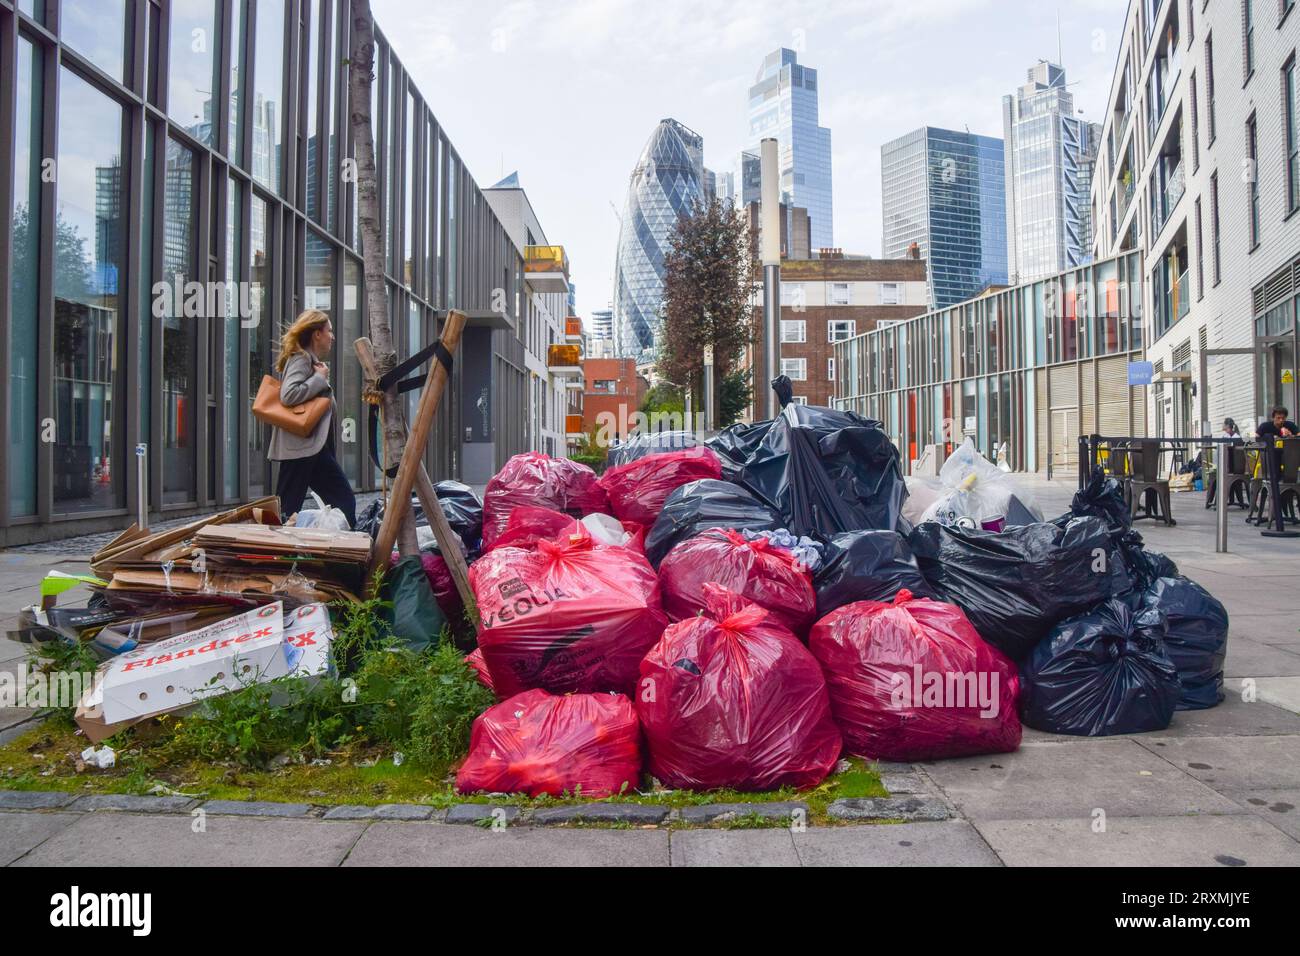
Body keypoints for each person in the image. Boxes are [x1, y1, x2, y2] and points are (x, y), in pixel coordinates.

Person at [267, 309, 357, 528]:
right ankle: (277, 551)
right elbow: (289, 394)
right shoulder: (302, 358)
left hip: (311, 449)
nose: (332, 337)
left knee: (339, 500)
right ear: (317, 334)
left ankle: (341, 549)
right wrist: (319, 378)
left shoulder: (311, 361)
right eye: (330, 331)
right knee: (290, 507)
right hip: (301, 448)